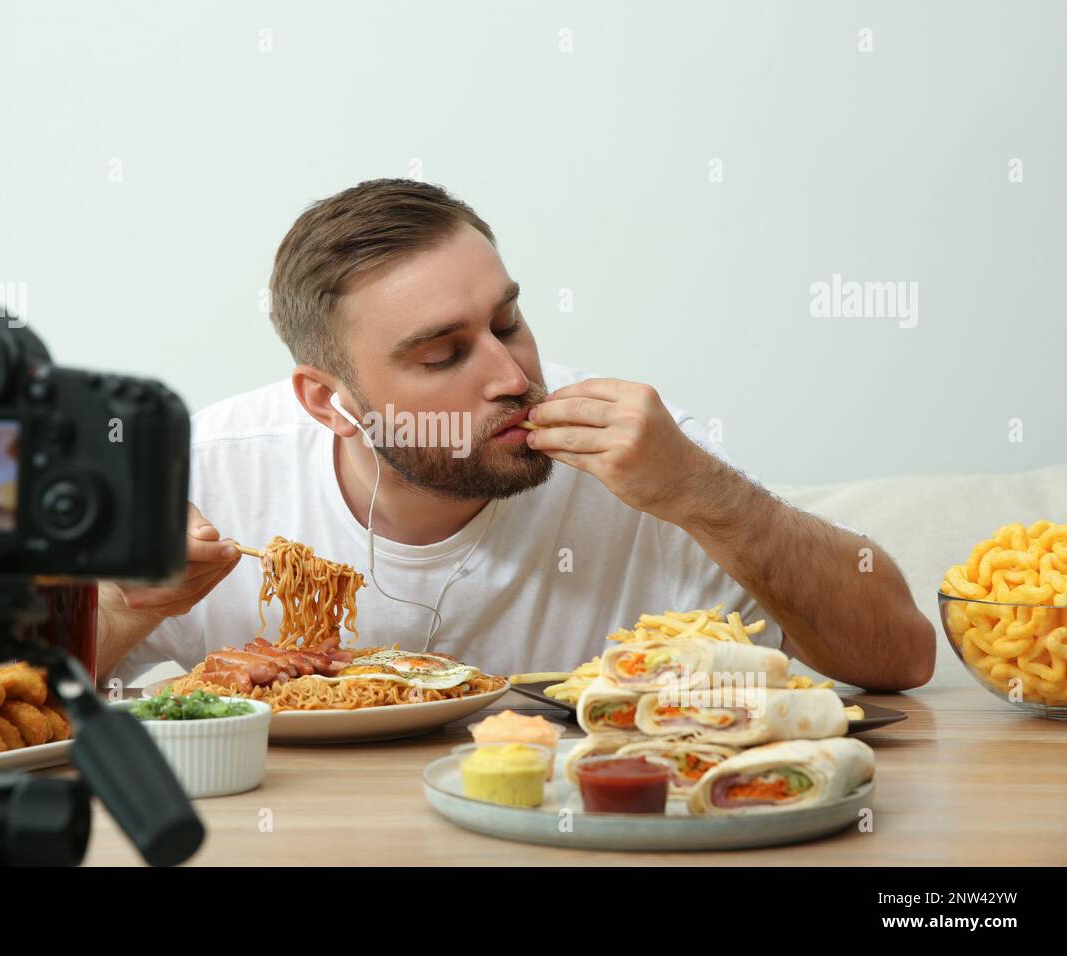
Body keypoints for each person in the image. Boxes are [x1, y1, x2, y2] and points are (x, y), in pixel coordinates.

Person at [100, 179, 935, 691]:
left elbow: (898, 656)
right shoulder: (206, 474)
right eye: (442, 354)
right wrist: (128, 612)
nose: (511, 374)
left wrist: (706, 494)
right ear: (328, 402)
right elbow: (2, 710)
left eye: (509, 321)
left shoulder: (641, 460)